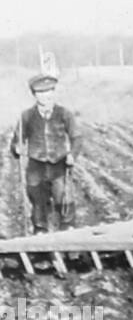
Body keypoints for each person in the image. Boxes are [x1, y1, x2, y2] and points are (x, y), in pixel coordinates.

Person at [9, 74, 82, 233]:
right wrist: (17, 148)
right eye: (41, 93)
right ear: (34, 95)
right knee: (37, 203)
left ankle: (70, 241)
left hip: (59, 165)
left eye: (49, 92)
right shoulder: (27, 116)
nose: (46, 97)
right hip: (36, 166)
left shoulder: (64, 114)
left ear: (54, 93)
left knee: (64, 201)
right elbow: (16, 140)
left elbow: (76, 137)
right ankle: (40, 239)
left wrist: (72, 155)